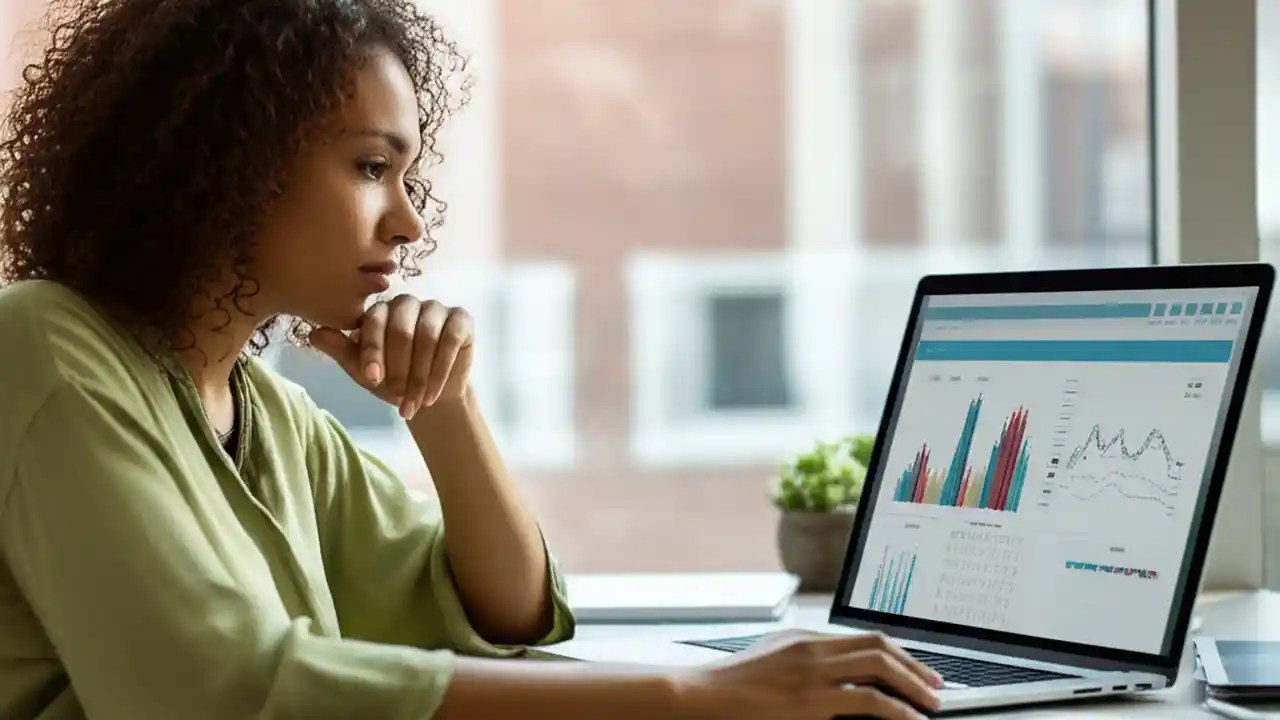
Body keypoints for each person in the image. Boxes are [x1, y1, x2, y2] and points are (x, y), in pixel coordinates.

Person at [0, 1, 943, 718]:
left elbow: (507, 618)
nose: (408, 222)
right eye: (372, 168)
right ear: (230, 159)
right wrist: (697, 695)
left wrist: (444, 407)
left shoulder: (265, 415)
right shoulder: (45, 346)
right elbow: (216, 690)